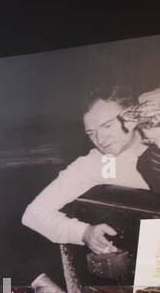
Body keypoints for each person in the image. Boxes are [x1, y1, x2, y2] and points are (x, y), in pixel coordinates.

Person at [22, 86, 160, 256]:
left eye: (108, 126)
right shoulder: (95, 163)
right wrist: (84, 232)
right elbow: (34, 213)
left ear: (131, 117)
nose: (100, 139)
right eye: (91, 133)